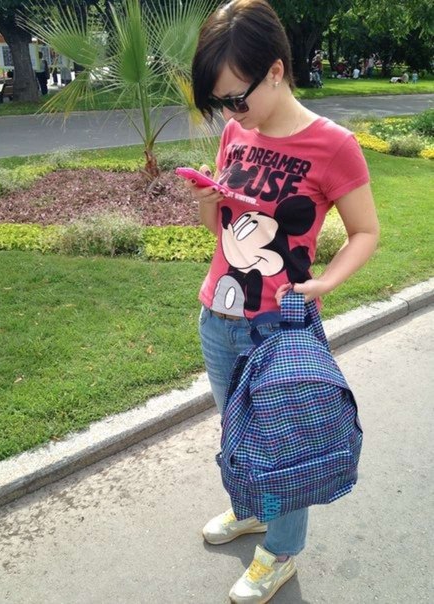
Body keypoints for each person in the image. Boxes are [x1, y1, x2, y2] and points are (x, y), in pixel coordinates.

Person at [188, 1, 380, 602]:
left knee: (284, 445)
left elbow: (365, 232)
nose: (229, 113)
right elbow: (219, 230)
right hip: (218, 314)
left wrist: (326, 283)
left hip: (278, 327)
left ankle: (280, 553)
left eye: (235, 98)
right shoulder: (236, 134)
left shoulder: (334, 145)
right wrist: (207, 201)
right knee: (239, 430)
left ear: (275, 71)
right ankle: (251, 508)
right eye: (219, 102)